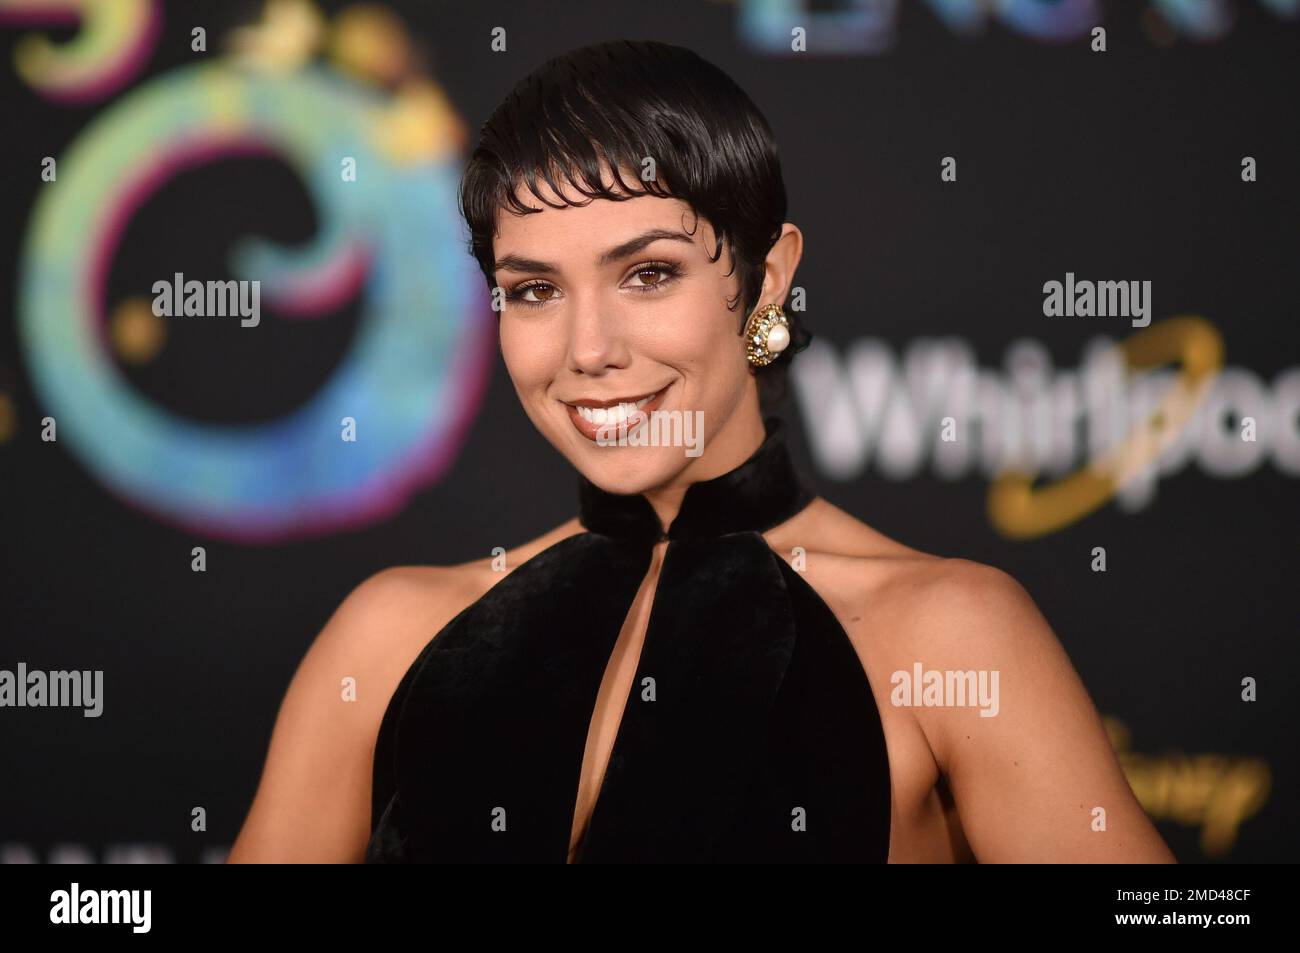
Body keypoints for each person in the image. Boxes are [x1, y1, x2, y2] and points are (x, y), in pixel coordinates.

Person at [228, 39, 1175, 863]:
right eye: (534, 290)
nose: (589, 349)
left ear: (767, 279)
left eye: (648, 274)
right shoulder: (388, 636)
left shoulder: (948, 632)